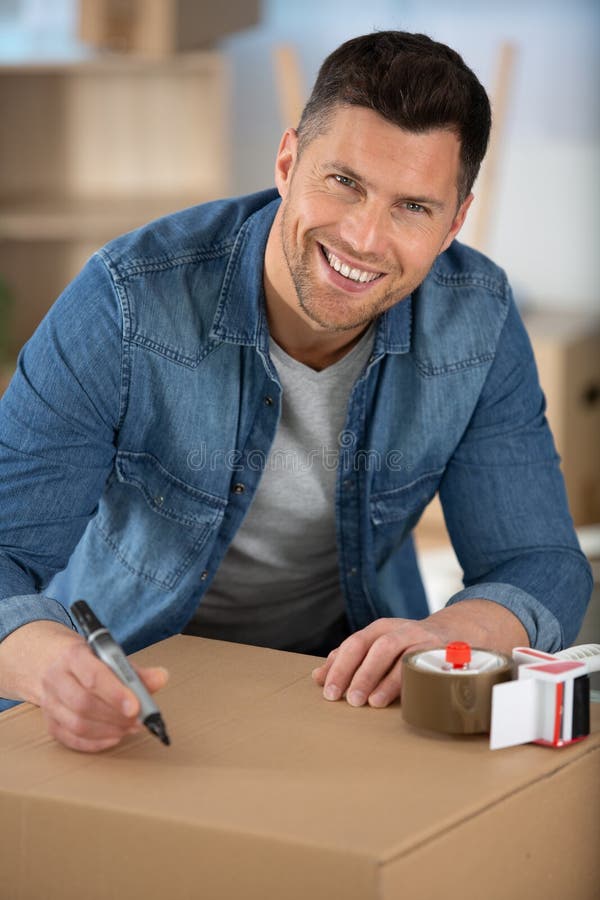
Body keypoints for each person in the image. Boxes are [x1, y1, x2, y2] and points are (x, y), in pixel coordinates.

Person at [0, 31, 591, 751]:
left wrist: (449, 633)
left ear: (455, 223)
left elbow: (540, 561)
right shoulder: (125, 301)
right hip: (130, 677)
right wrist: (47, 666)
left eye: (413, 208)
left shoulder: (480, 318)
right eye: (343, 182)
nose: (365, 238)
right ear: (287, 162)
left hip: (343, 690)